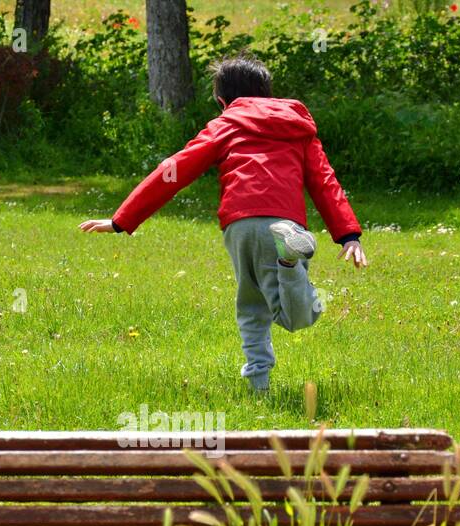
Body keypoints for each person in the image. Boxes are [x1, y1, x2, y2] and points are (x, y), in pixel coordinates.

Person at [79, 55, 367, 393]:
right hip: (283, 220)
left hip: (240, 224)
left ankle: (258, 384)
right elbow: (324, 181)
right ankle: (289, 261)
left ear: (221, 101)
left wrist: (121, 219)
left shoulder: (226, 124)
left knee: (252, 304)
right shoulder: (299, 127)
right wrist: (348, 234)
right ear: (268, 92)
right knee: (300, 316)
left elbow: (174, 170)